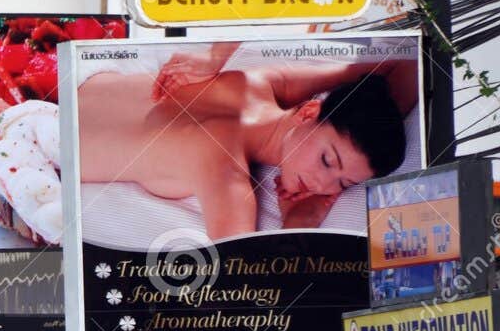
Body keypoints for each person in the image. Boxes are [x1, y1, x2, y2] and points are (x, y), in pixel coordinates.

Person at [76, 41, 414, 240]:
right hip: (40, 144)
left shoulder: (261, 82)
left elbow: (400, 62)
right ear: (309, 112)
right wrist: (299, 220)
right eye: (328, 160)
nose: (322, 184)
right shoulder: (226, 174)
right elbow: (249, 282)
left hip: (63, 81)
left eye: (343, 183)